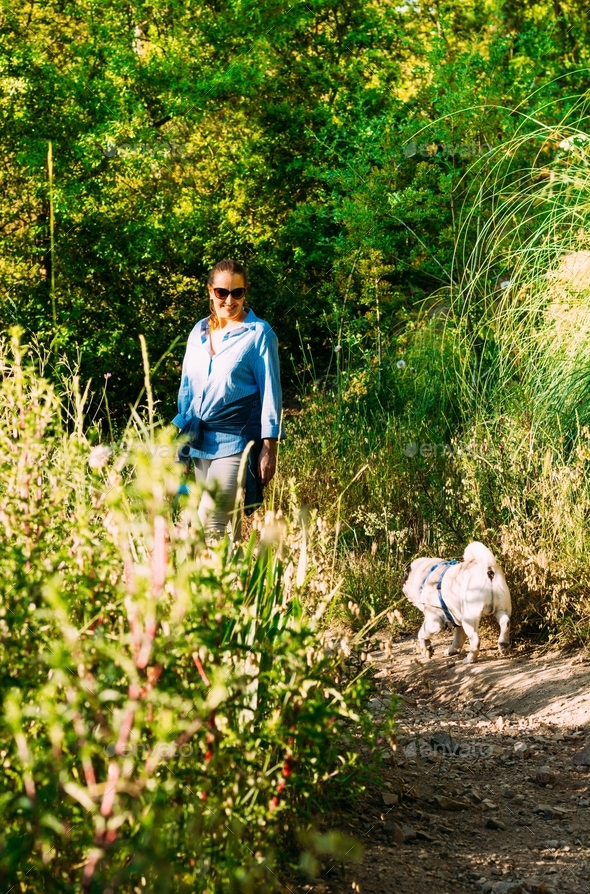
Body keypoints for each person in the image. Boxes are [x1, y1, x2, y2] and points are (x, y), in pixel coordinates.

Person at [172, 259, 282, 539]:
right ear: (210, 291)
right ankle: (231, 582)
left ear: (245, 293)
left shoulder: (259, 334)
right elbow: (187, 387)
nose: (229, 300)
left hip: (234, 439)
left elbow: (271, 390)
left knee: (210, 523)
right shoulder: (198, 332)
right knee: (221, 525)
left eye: (237, 293)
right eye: (222, 292)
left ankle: (204, 580)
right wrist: (180, 440)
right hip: (198, 440)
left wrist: (270, 447)